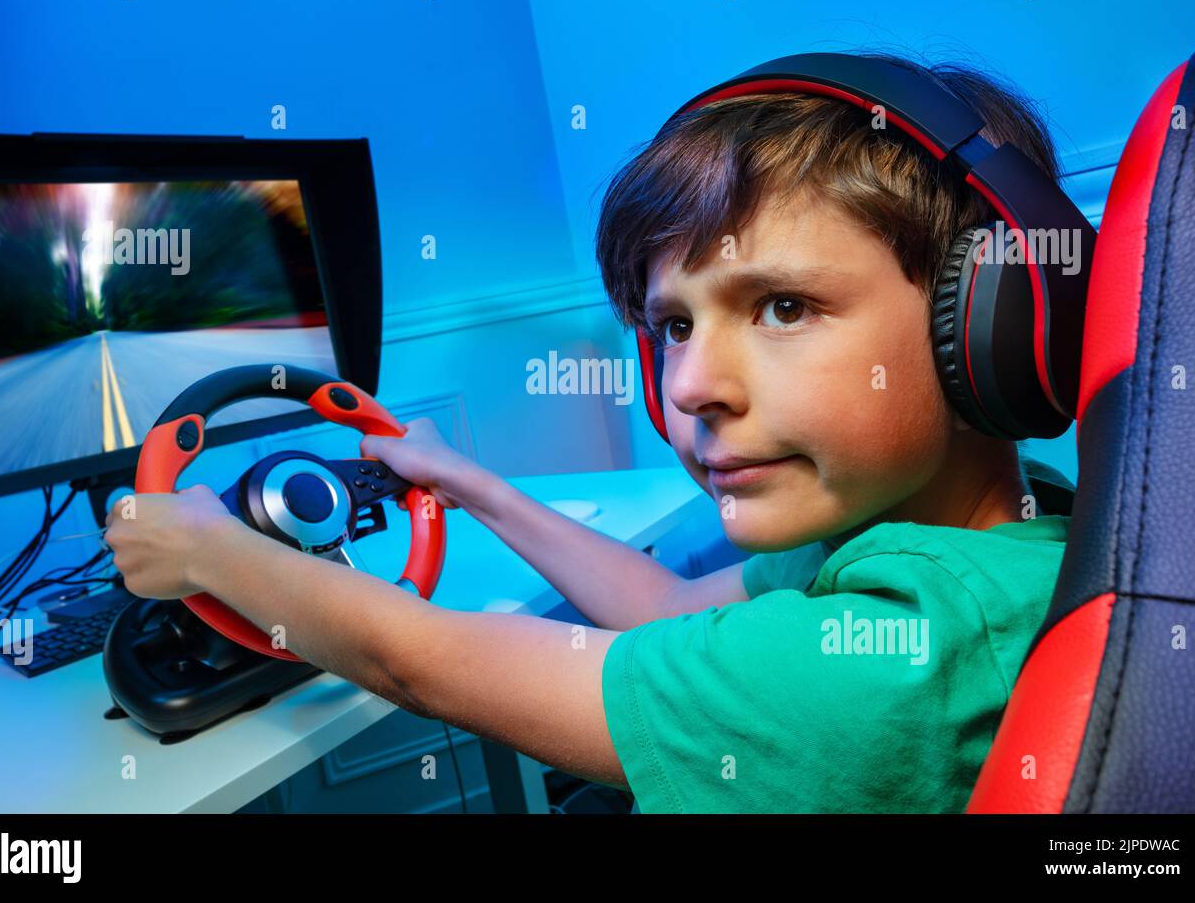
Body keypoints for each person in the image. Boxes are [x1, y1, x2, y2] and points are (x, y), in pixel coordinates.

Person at [105, 52, 1072, 812]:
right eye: (675, 328)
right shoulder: (939, 551)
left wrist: (208, 550)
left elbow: (418, 660)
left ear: (993, 322)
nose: (690, 384)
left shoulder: (889, 659)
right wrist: (469, 484)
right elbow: (663, 606)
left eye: (781, 306)